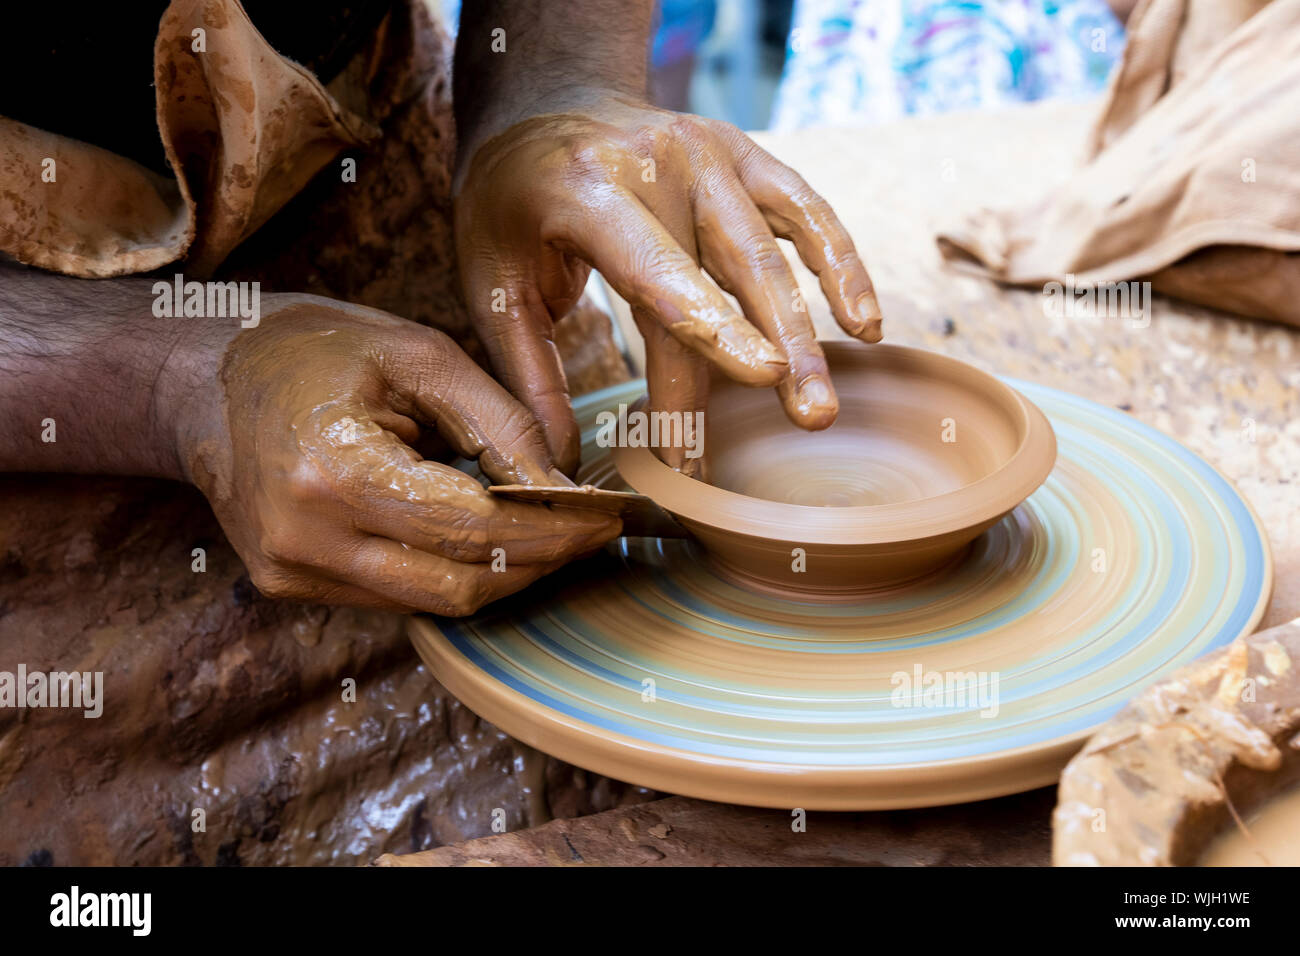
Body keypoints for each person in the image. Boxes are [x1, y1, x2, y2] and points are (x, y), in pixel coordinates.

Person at [0, 0, 881, 615]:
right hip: (39, 342)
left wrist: (551, 89)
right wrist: (165, 377)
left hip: (342, 122)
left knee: (566, 526)